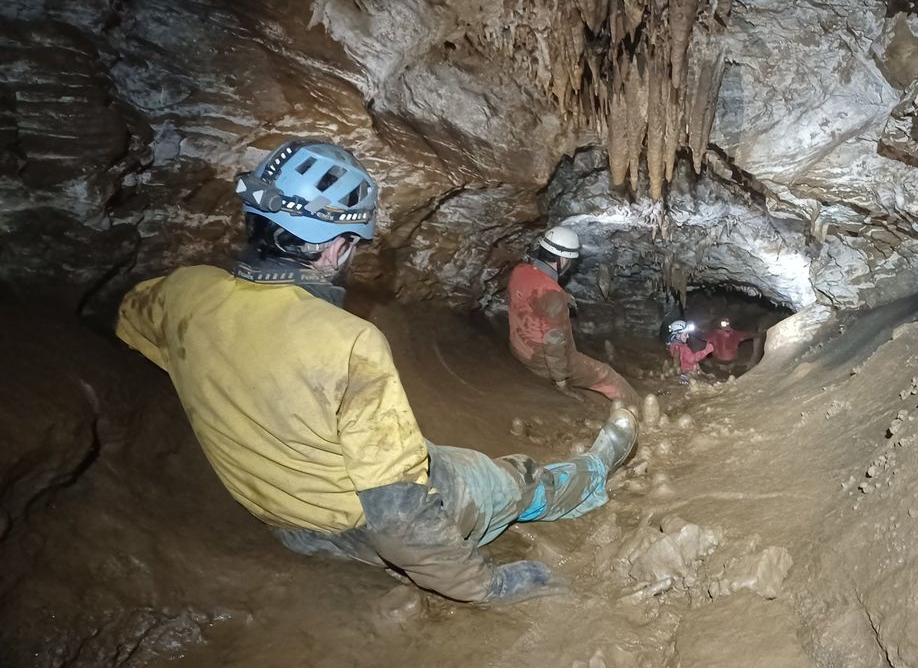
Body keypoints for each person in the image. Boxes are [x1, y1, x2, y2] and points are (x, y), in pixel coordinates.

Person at [115, 139, 639, 604]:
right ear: (336, 246)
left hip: (284, 523)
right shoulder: (346, 342)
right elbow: (399, 518)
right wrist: (485, 586)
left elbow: (132, 323)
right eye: (354, 244)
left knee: (429, 458)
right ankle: (597, 469)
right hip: (359, 530)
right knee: (507, 478)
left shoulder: (183, 291)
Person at [507, 226, 641, 407]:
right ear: (562, 259)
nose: (570, 266)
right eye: (570, 261)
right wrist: (561, 382)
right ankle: (641, 411)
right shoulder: (553, 296)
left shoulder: (520, 271)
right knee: (608, 375)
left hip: (519, 349)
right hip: (542, 362)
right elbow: (553, 344)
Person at [666, 320, 713, 385]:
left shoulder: (673, 346)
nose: (688, 336)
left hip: (685, 374)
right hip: (688, 375)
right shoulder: (681, 348)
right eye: (685, 334)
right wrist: (706, 350)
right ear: (677, 336)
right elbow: (692, 359)